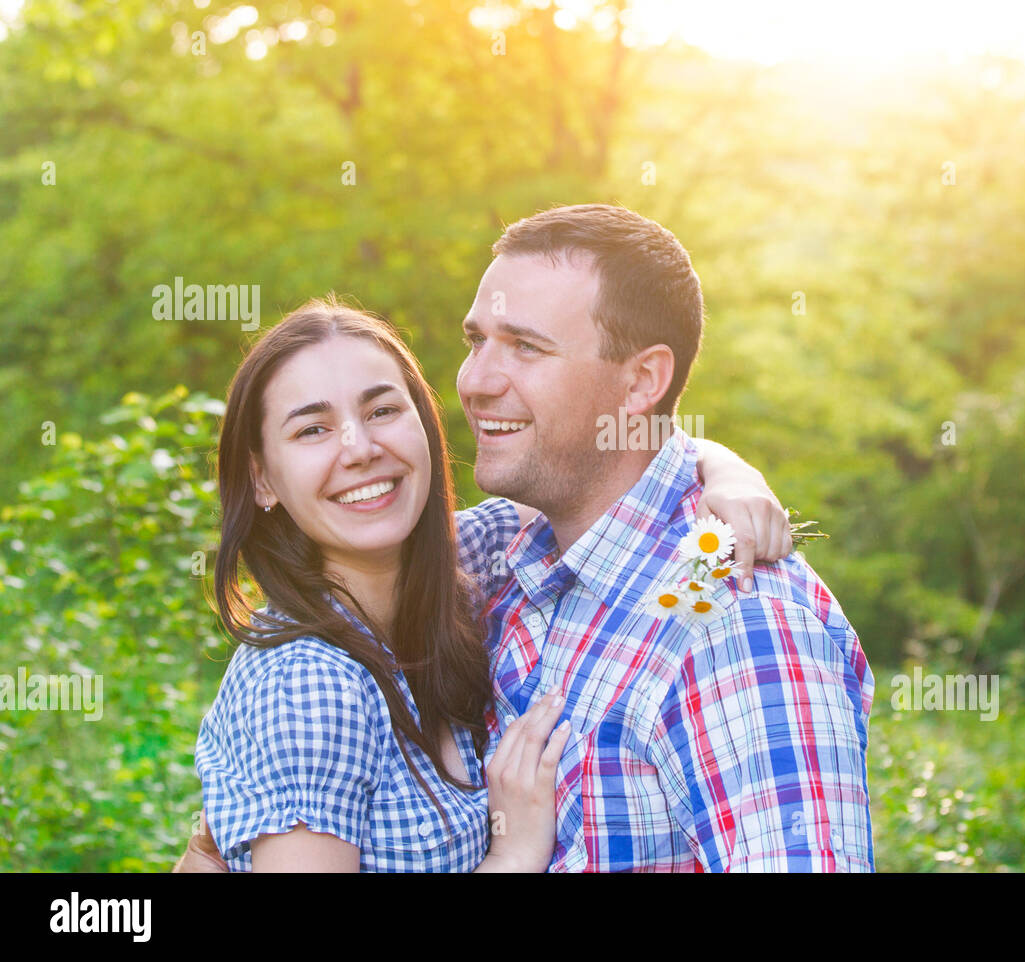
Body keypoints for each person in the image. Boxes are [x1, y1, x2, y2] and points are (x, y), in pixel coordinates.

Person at [180, 296, 791, 872]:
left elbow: (612, 475)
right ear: (261, 480)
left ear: (423, 427)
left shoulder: (465, 562)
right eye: (312, 429)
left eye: (382, 411)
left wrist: (727, 473)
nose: (360, 448)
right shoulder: (308, 680)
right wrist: (510, 858)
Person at [457, 204, 875, 871]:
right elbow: (331, 577)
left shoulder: (738, 623)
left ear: (642, 381)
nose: (475, 381)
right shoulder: (509, 552)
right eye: (475, 341)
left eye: (526, 347)